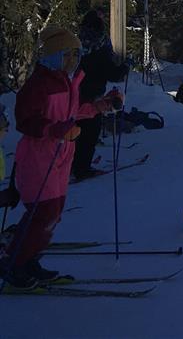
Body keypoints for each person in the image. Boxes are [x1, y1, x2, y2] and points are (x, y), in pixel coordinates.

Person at [0, 26, 122, 289]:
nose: (72, 60)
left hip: (59, 157)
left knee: (51, 213)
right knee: (44, 213)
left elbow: (72, 113)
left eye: (75, 55)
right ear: (53, 56)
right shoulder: (39, 84)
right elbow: (25, 119)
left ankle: (27, 258)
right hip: (38, 158)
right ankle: (13, 264)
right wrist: (54, 129)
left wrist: (102, 105)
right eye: (67, 55)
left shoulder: (67, 81)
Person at [71, 10, 129, 181]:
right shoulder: (100, 47)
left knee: (74, 131)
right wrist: (124, 67)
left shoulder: (77, 44)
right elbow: (112, 73)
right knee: (89, 133)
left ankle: (71, 163)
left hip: (73, 95)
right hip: (92, 96)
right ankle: (82, 168)